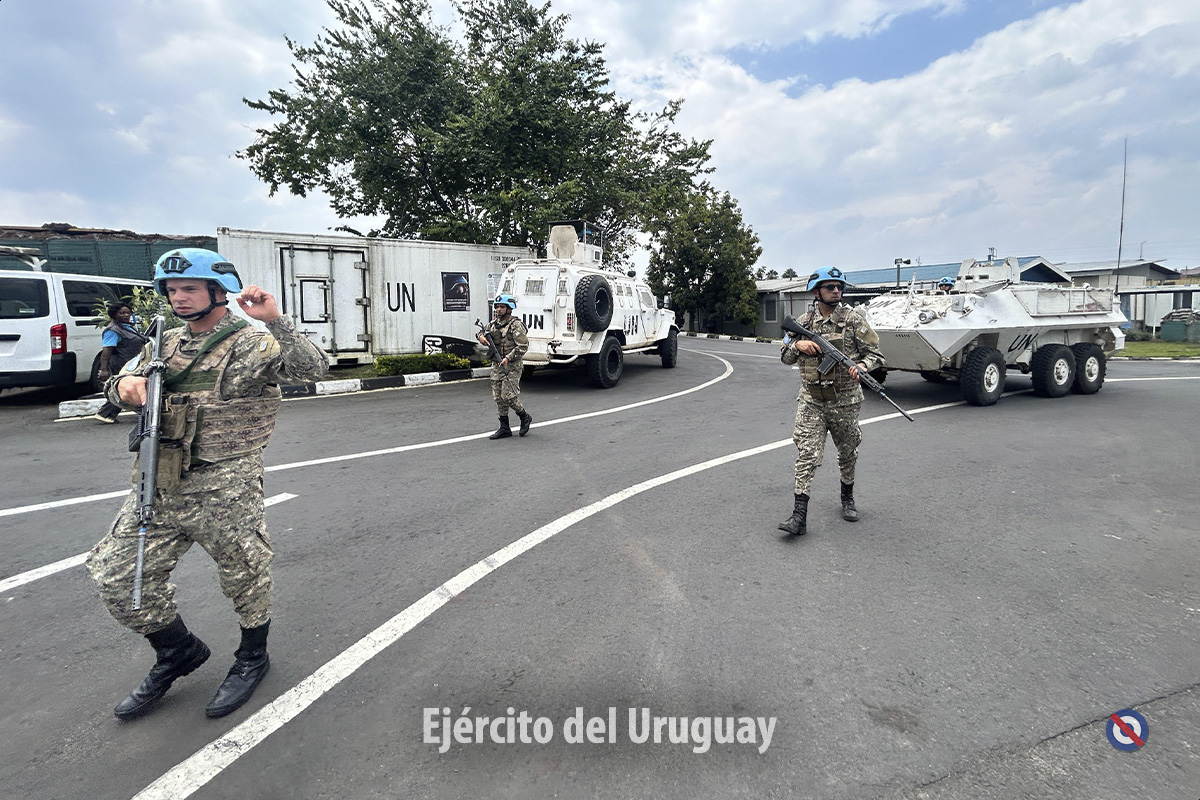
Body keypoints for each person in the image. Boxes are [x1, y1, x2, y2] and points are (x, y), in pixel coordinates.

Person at [85, 248, 328, 720]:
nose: (179, 297)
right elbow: (119, 383)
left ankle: (252, 655)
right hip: (160, 482)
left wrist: (275, 321)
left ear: (219, 292)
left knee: (245, 574)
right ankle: (177, 651)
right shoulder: (163, 343)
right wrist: (123, 388)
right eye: (172, 289)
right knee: (116, 576)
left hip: (225, 487)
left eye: (190, 288)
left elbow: (313, 369)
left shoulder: (250, 343)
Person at [779, 267, 884, 536]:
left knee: (847, 452)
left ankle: (847, 497)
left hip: (844, 401)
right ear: (816, 292)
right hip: (811, 401)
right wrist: (797, 345)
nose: (836, 291)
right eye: (830, 287)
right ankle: (798, 516)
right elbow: (785, 357)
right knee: (807, 454)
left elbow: (875, 354)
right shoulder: (803, 322)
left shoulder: (854, 320)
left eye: (839, 287)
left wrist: (862, 366)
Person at [475, 294, 532, 439]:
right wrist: (481, 337)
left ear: (509, 308)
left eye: (502, 307)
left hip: (511, 366)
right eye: (497, 307)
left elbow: (523, 346)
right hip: (497, 365)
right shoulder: (493, 324)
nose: (498, 309)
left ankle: (524, 416)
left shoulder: (515, 325)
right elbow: (481, 332)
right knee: (498, 397)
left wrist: (508, 358)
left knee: (508, 396)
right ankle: (504, 427)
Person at [92, 301, 148, 423]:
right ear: (114, 314)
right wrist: (104, 369)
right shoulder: (113, 330)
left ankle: (106, 414)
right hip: (121, 365)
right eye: (121, 313)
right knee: (122, 390)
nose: (126, 315)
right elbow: (106, 351)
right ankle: (105, 413)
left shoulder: (127, 327)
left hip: (132, 364)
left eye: (128, 312)